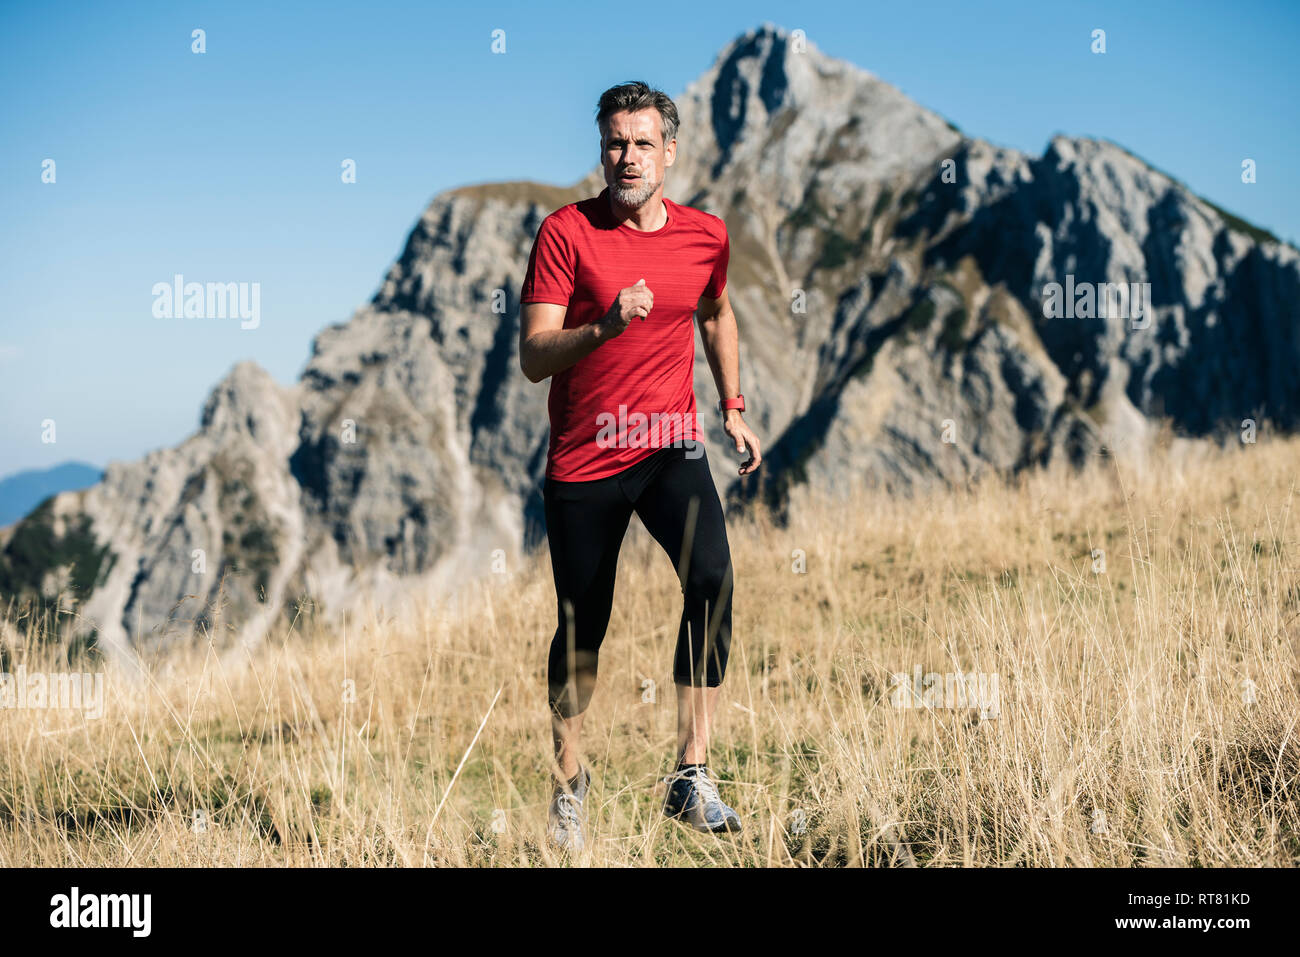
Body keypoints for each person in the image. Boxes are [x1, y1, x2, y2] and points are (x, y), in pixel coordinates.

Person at [518, 80, 762, 851]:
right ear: (602, 150)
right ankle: (569, 782)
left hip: (669, 447)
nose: (628, 157)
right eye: (615, 143)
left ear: (670, 152)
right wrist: (602, 326)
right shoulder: (566, 233)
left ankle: (690, 774)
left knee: (713, 579)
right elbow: (532, 355)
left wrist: (732, 405)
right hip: (585, 461)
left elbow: (716, 311)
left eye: (642, 143)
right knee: (582, 629)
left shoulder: (705, 236)